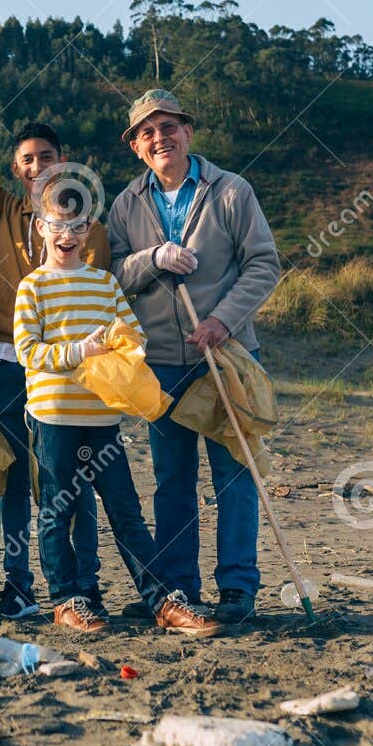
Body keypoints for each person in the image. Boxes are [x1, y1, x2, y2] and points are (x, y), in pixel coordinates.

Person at [107, 89, 281, 628]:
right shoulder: (125, 204)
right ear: (136, 146)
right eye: (147, 132)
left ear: (188, 132)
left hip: (227, 356)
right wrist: (151, 258)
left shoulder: (231, 191)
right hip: (160, 362)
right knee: (172, 481)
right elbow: (114, 275)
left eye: (169, 127)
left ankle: (237, 589)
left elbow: (263, 265)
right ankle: (180, 588)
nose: (160, 138)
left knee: (234, 474)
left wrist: (221, 321)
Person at [14, 183, 217, 637]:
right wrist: (79, 350)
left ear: (88, 229)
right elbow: (28, 350)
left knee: (125, 510)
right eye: (57, 225)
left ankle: (163, 600)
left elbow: (133, 336)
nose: (67, 234)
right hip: (53, 418)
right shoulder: (34, 286)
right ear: (41, 226)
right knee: (56, 511)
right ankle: (67, 600)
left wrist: (125, 346)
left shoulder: (105, 283)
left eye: (76, 226)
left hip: (103, 420)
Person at [0, 32, 105, 620]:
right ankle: (17, 587)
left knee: (72, 477)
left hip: (71, 365)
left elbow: (104, 291)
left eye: (45, 156)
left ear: (60, 163)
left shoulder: (89, 223)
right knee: (15, 471)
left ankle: (82, 584)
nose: (36, 165)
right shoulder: (2, 207)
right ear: (17, 173)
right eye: (26, 160)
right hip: (10, 360)